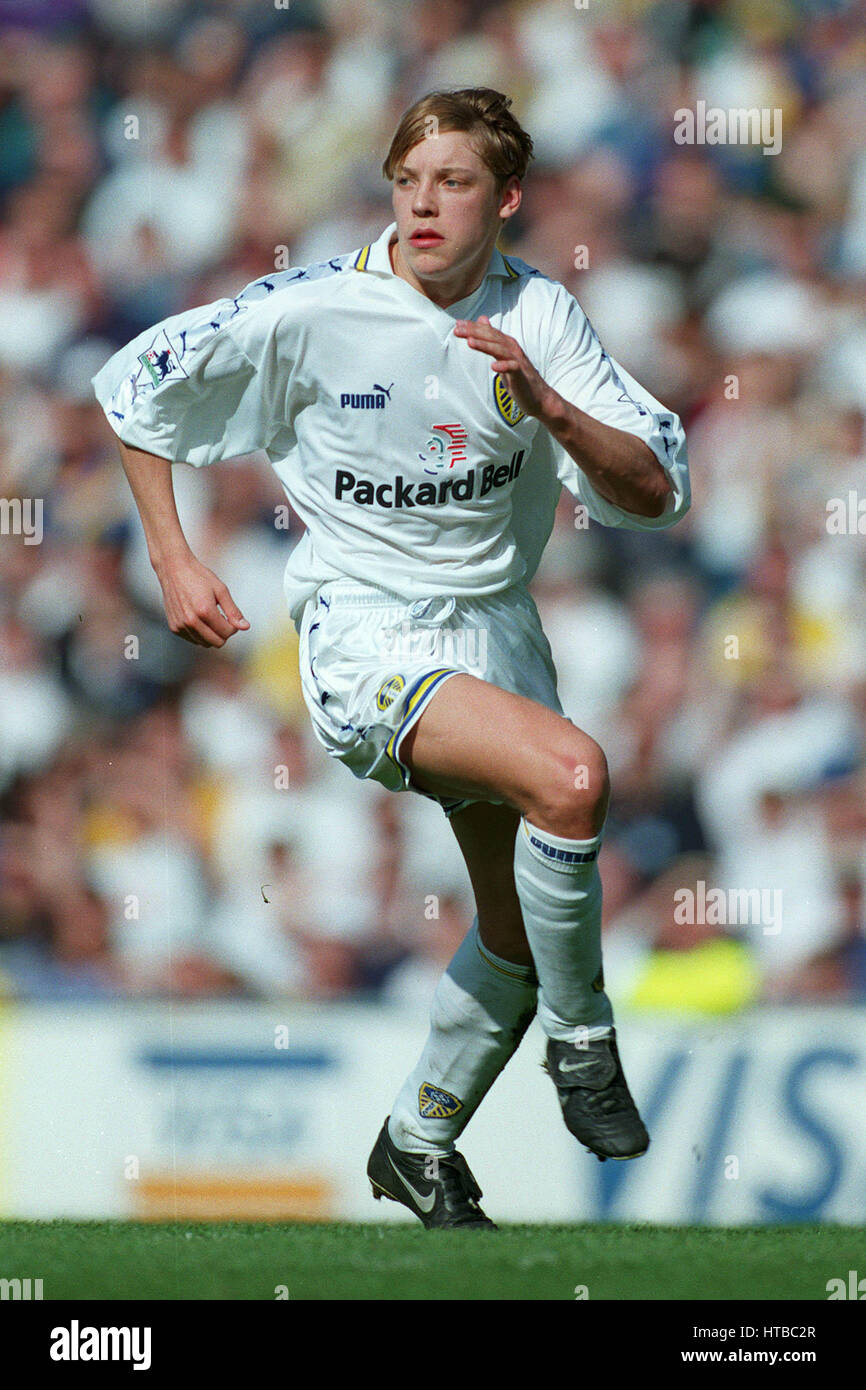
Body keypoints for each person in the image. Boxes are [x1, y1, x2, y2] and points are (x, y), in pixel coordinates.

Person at [92, 87, 690, 1229]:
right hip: (363, 632)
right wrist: (173, 559)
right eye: (407, 181)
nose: (422, 203)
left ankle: (416, 1142)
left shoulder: (545, 320)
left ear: (505, 200)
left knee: (513, 933)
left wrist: (551, 409)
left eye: (452, 182)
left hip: (496, 629)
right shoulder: (316, 306)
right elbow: (134, 385)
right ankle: (586, 1046)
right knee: (573, 776)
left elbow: (655, 490)